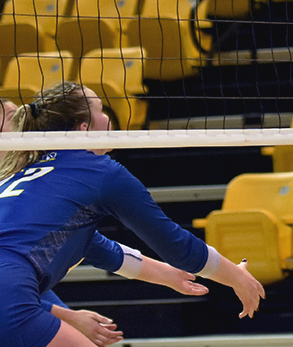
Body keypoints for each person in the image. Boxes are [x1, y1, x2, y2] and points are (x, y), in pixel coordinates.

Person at [0, 83, 264, 347]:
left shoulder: (26, 175)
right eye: (100, 110)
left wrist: (168, 275)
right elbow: (178, 247)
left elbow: (97, 247)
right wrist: (237, 277)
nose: (108, 118)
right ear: (84, 129)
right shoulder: (100, 172)